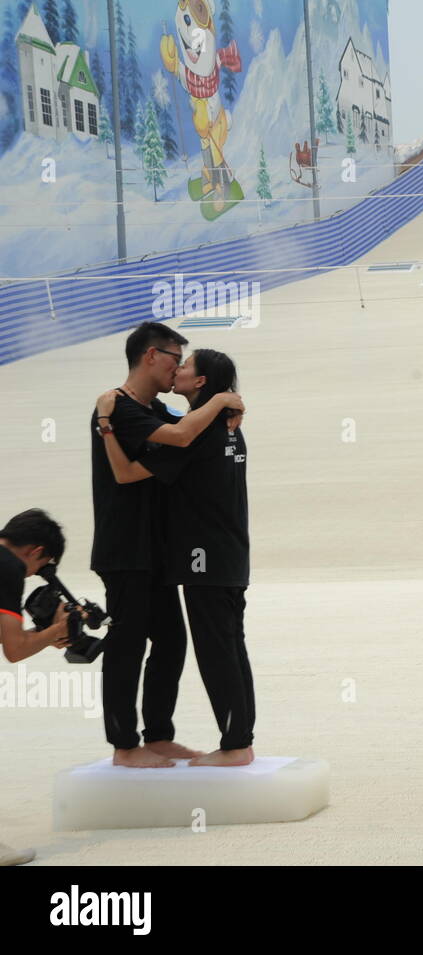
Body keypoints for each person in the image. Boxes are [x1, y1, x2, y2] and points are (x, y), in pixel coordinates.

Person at [90, 321, 243, 769]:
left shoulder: (154, 407)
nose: (178, 367)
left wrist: (227, 410)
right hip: (125, 548)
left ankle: (158, 736)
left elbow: (190, 433)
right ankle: (124, 744)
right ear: (151, 355)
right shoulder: (116, 407)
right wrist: (220, 398)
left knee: (172, 640)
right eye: (176, 358)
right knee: (128, 644)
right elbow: (179, 437)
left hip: (157, 549)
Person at [0, 509, 70, 866]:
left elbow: (11, 639)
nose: (35, 575)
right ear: (35, 551)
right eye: (41, 568)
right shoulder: (9, 568)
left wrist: (43, 637)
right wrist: (55, 632)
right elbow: (15, 651)